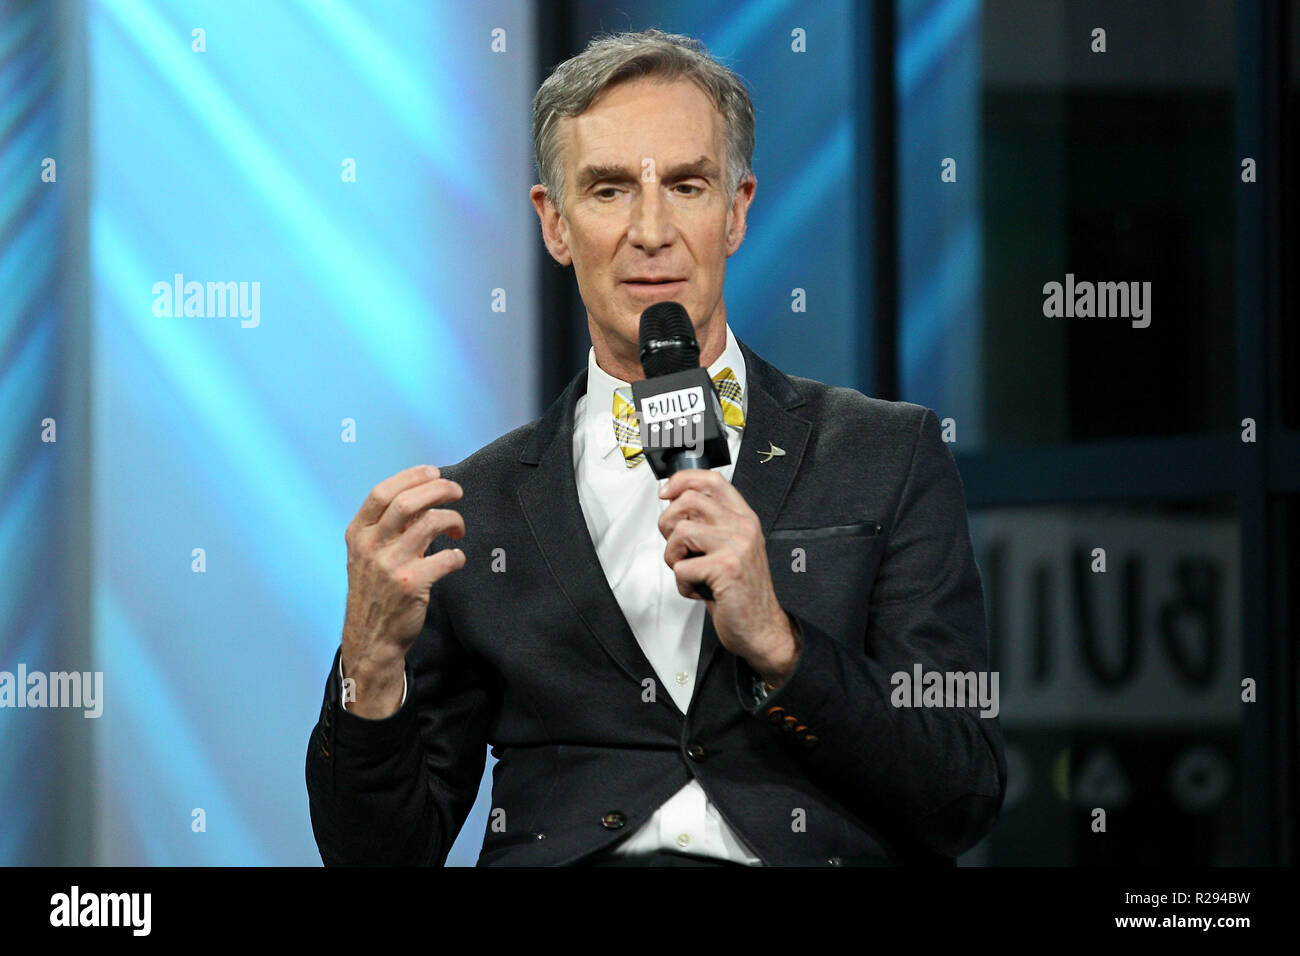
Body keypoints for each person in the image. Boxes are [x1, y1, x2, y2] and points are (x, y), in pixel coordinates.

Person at [306, 28, 1005, 866]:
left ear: (738, 210)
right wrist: (369, 667)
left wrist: (781, 645)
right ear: (554, 223)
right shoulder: (480, 507)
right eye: (607, 191)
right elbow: (378, 855)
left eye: (685, 185)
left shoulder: (885, 456)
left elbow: (960, 791)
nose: (650, 230)